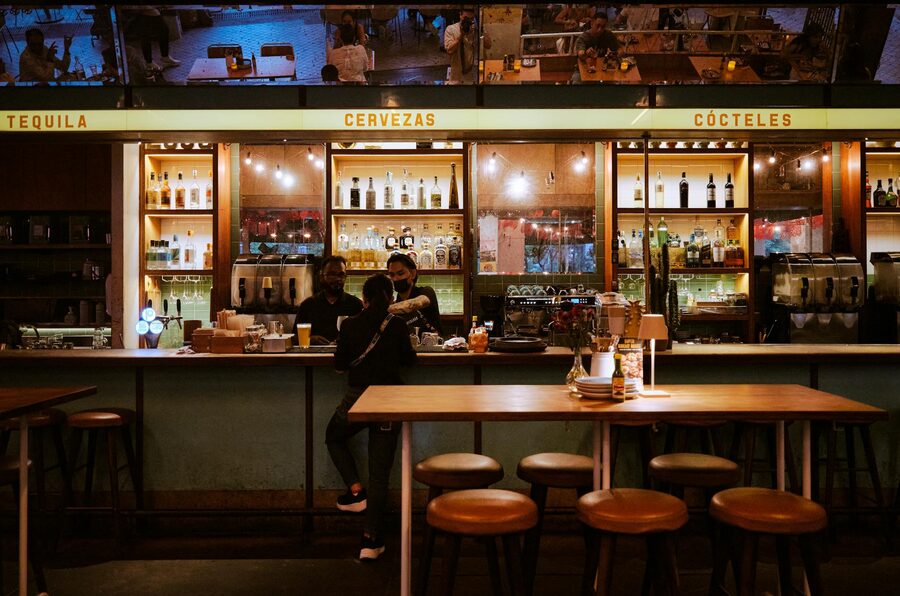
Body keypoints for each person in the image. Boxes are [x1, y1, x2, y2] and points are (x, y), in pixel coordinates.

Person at [326, 273, 417, 560]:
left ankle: (355, 491)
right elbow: (409, 361)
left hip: (358, 401)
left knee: (333, 436)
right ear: (390, 298)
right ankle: (371, 541)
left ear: (364, 299)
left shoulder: (351, 325)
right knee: (380, 473)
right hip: (389, 402)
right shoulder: (398, 325)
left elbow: (340, 367)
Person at [293, 255, 363, 345]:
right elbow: (294, 338)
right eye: (332, 274)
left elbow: (363, 337)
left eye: (341, 275)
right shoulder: (308, 305)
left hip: (346, 357)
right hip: (317, 358)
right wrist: (310, 339)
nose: (337, 279)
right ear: (322, 276)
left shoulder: (355, 305)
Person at [386, 253, 443, 335]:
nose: (395, 278)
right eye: (392, 275)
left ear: (412, 273)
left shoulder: (426, 291)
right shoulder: (396, 302)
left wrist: (379, 310)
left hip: (433, 346)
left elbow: (418, 302)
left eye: (400, 273)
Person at [444, 7, 491, 85]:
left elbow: (488, 45)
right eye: (466, 18)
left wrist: (481, 30)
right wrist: (461, 35)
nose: (468, 21)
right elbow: (449, 50)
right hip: (457, 74)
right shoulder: (451, 29)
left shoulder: (476, 30)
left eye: (471, 19)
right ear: (460, 15)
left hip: (472, 73)